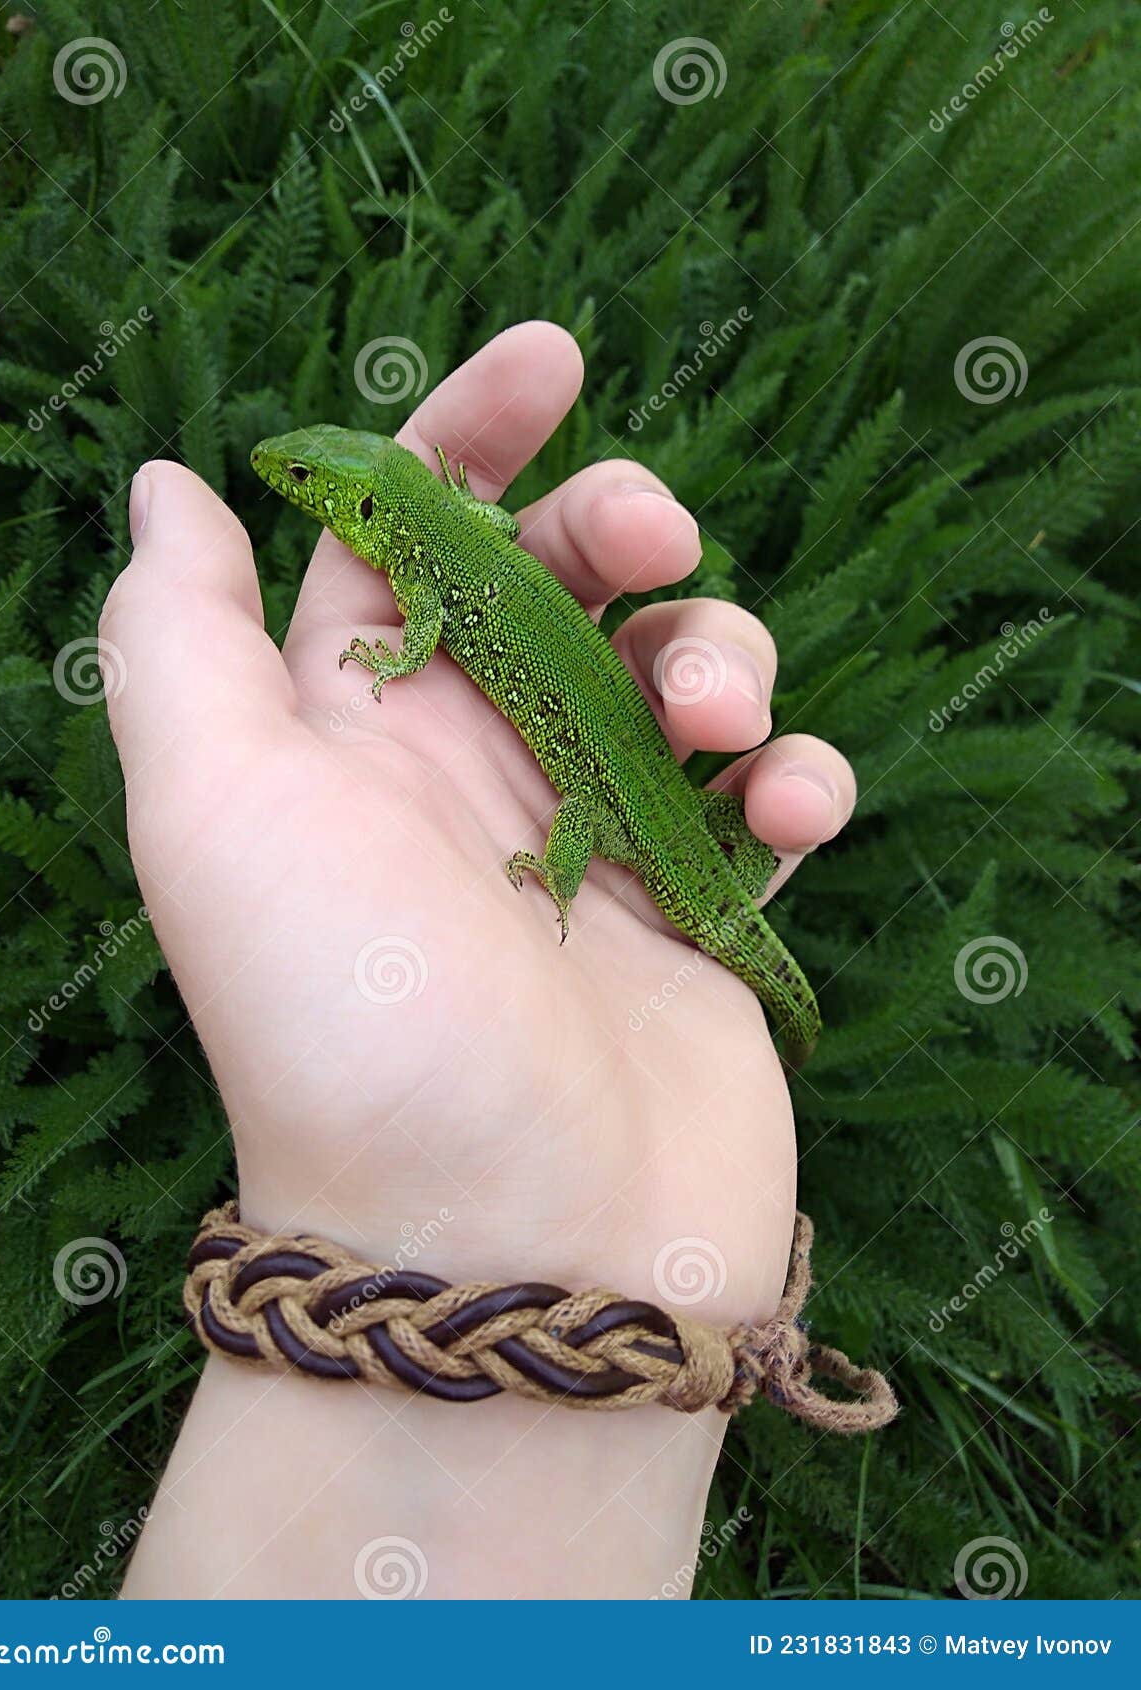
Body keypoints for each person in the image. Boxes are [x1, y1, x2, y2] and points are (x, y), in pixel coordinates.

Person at [106, 321, 855, 1600]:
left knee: (611, 818)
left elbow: (425, 630)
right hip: (627, 818)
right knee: (664, 806)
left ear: (361, 503)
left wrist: (407, 673)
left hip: (613, 823)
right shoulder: (455, 531)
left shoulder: (434, 573)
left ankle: (586, 884)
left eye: (311, 488)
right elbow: (476, 556)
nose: (300, 494)